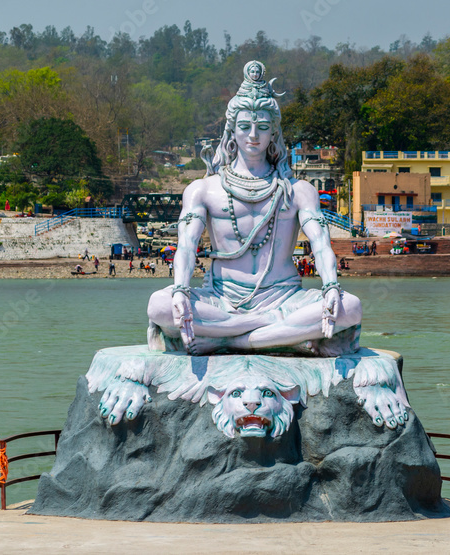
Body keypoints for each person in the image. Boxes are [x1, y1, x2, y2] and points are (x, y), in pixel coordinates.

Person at [146, 61, 361, 356]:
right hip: (221, 299)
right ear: (231, 131)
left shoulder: (298, 191)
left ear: (274, 132)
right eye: (244, 127)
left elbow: (321, 245)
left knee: (350, 307)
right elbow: (186, 246)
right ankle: (275, 333)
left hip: (284, 298)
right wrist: (181, 289)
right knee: (159, 306)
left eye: (262, 127)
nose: (253, 136)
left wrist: (331, 287)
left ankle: (232, 340)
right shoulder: (204, 189)